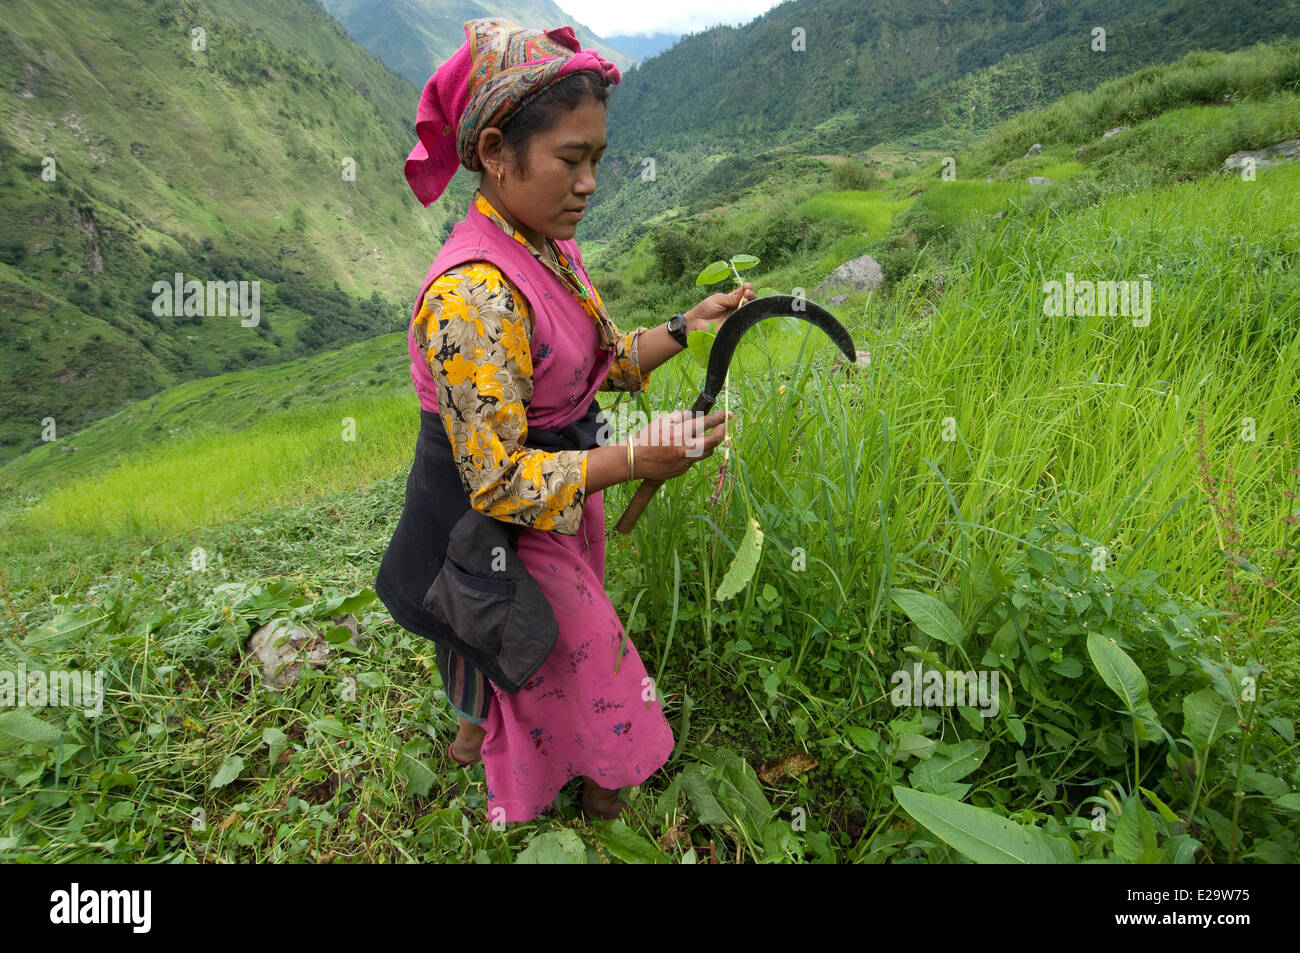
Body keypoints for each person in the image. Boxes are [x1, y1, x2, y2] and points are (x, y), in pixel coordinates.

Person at [374, 17, 755, 823]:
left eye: (599, 161)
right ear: (493, 152)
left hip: (555, 499)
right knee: (585, 663)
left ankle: (474, 741)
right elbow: (502, 479)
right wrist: (633, 461)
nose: (589, 184)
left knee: (512, 643)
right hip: (498, 522)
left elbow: (599, 359)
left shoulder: (544, 243)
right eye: (571, 160)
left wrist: (686, 329)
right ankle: (603, 803)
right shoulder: (472, 298)